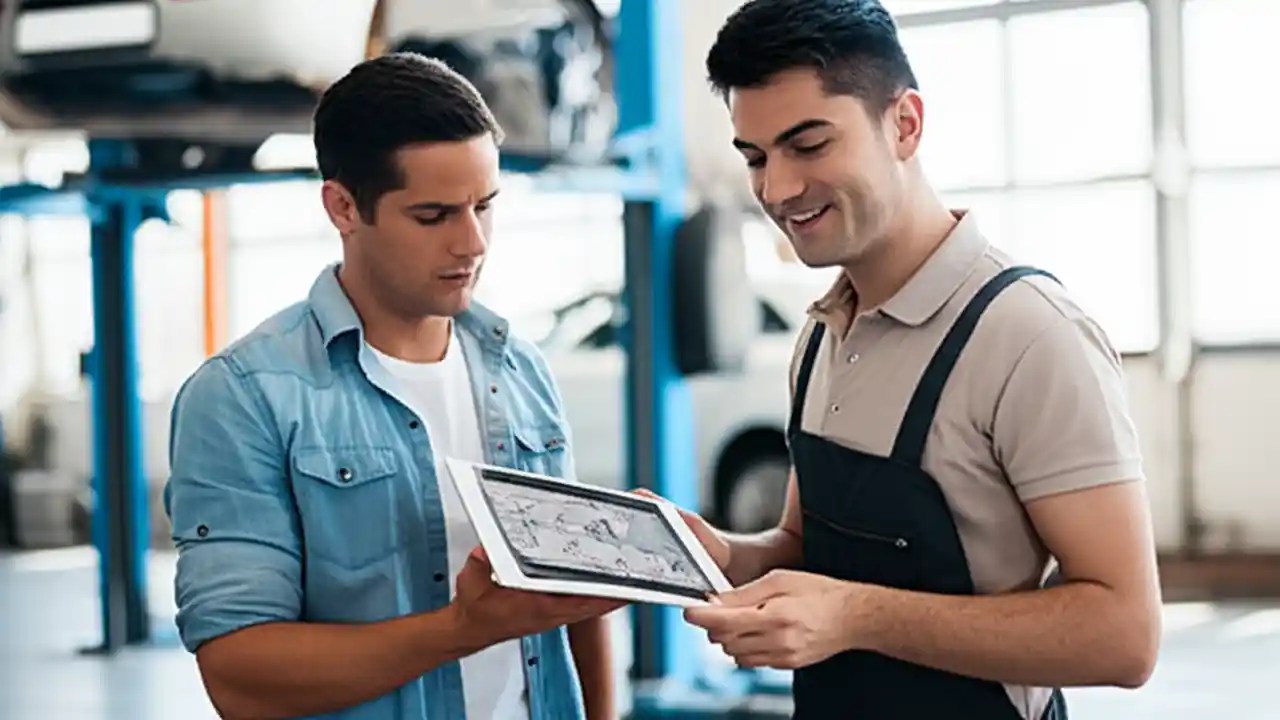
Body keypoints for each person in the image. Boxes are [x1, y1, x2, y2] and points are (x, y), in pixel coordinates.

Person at [673, 1, 1163, 718]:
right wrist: (721, 553)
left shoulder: (1030, 336)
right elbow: (808, 547)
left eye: (808, 145)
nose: (776, 189)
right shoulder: (821, 335)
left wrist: (854, 617)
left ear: (904, 124)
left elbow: (1125, 637)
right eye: (756, 157)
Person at [163, 53, 622, 720]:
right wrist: (461, 630)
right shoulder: (244, 398)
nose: (472, 243)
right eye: (434, 215)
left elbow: (574, 599)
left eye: (485, 206)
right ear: (343, 207)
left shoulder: (521, 371)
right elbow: (241, 675)